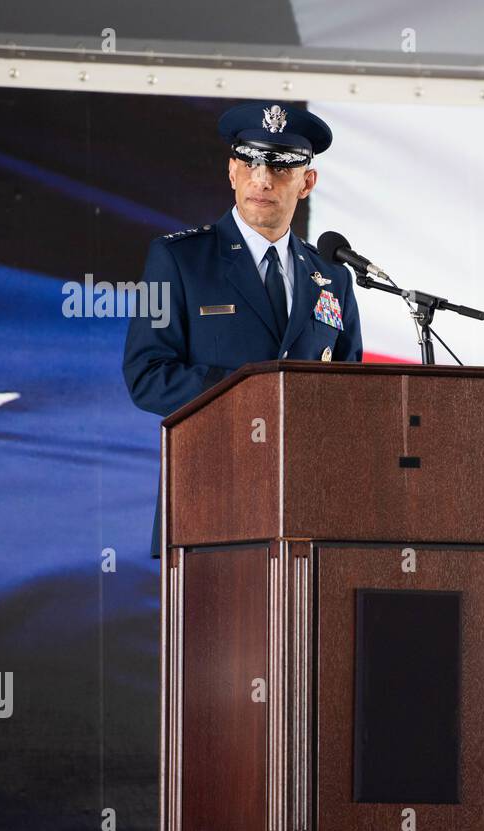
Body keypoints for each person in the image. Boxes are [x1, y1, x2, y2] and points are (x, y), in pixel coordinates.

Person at [122, 101, 363, 558]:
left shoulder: (333, 277)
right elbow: (146, 375)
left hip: (308, 514)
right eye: (250, 162)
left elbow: (349, 395)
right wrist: (248, 395)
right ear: (231, 171)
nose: (262, 178)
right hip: (210, 506)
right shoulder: (176, 260)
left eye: (280, 166)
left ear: (306, 182)